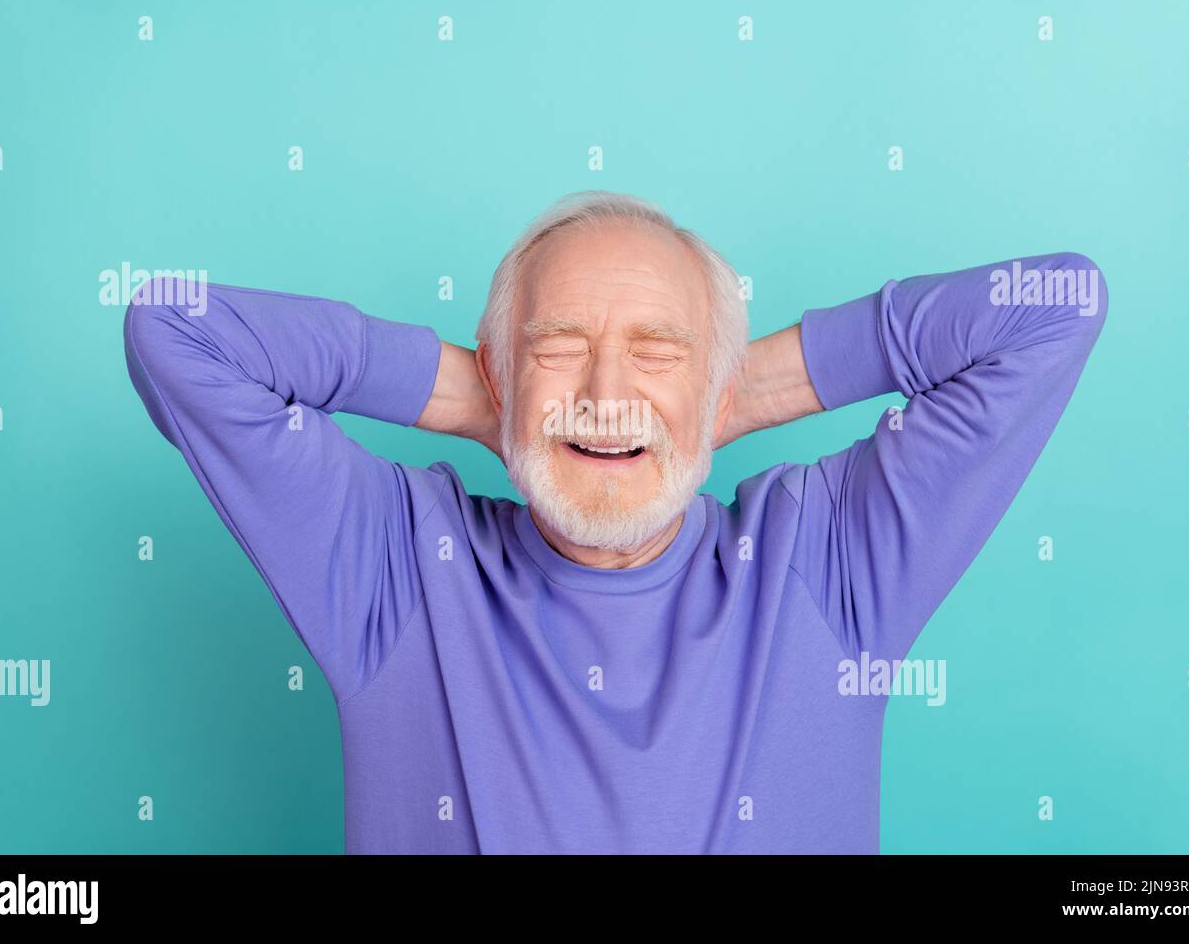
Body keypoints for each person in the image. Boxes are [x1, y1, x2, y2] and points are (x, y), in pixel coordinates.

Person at [123, 190, 1107, 853]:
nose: (606, 393)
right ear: (500, 369)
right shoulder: (395, 565)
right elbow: (172, 328)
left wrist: (742, 388)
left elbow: (1058, 306)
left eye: (657, 351)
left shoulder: (826, 560)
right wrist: (484, 398)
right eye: (557, 349)